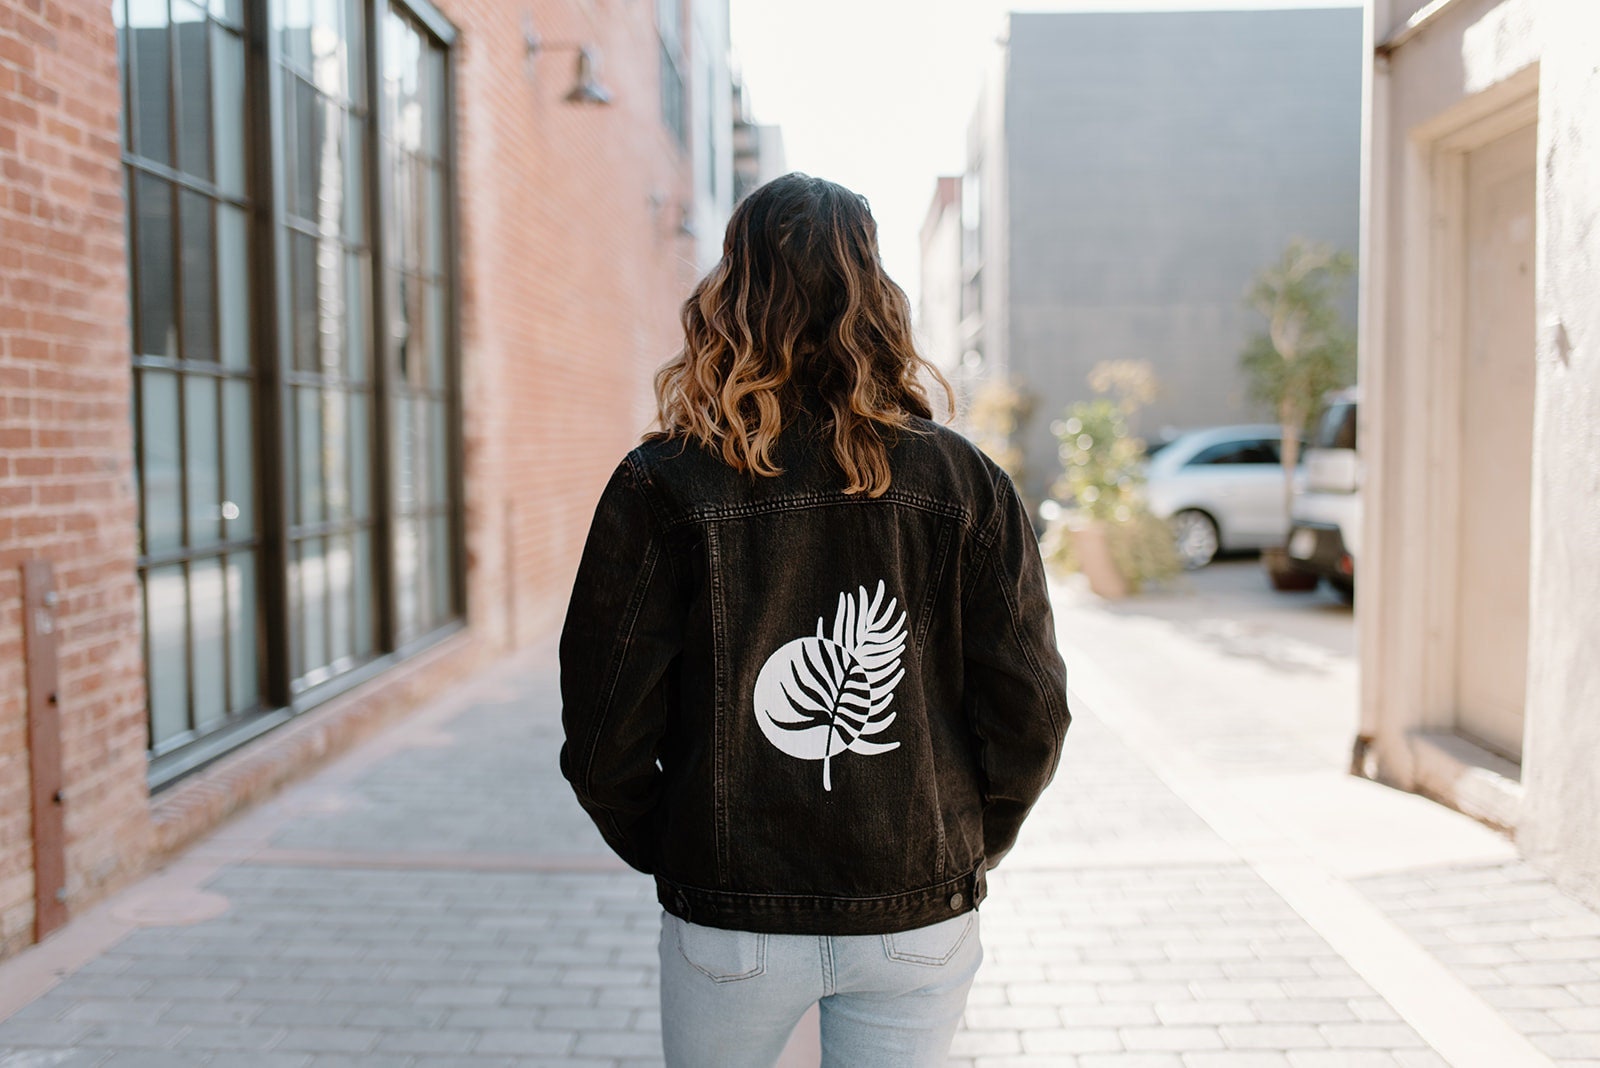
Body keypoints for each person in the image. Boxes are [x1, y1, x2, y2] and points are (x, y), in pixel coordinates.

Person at [559, 172, 1069, 1067]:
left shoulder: (662, 484)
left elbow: (603, 726)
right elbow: (1031, 709)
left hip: (730, 918)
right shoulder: (965, 483)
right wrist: (961, 846)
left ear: (729, 297)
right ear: (878, 299)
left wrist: (682, 851)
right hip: (918, 910)